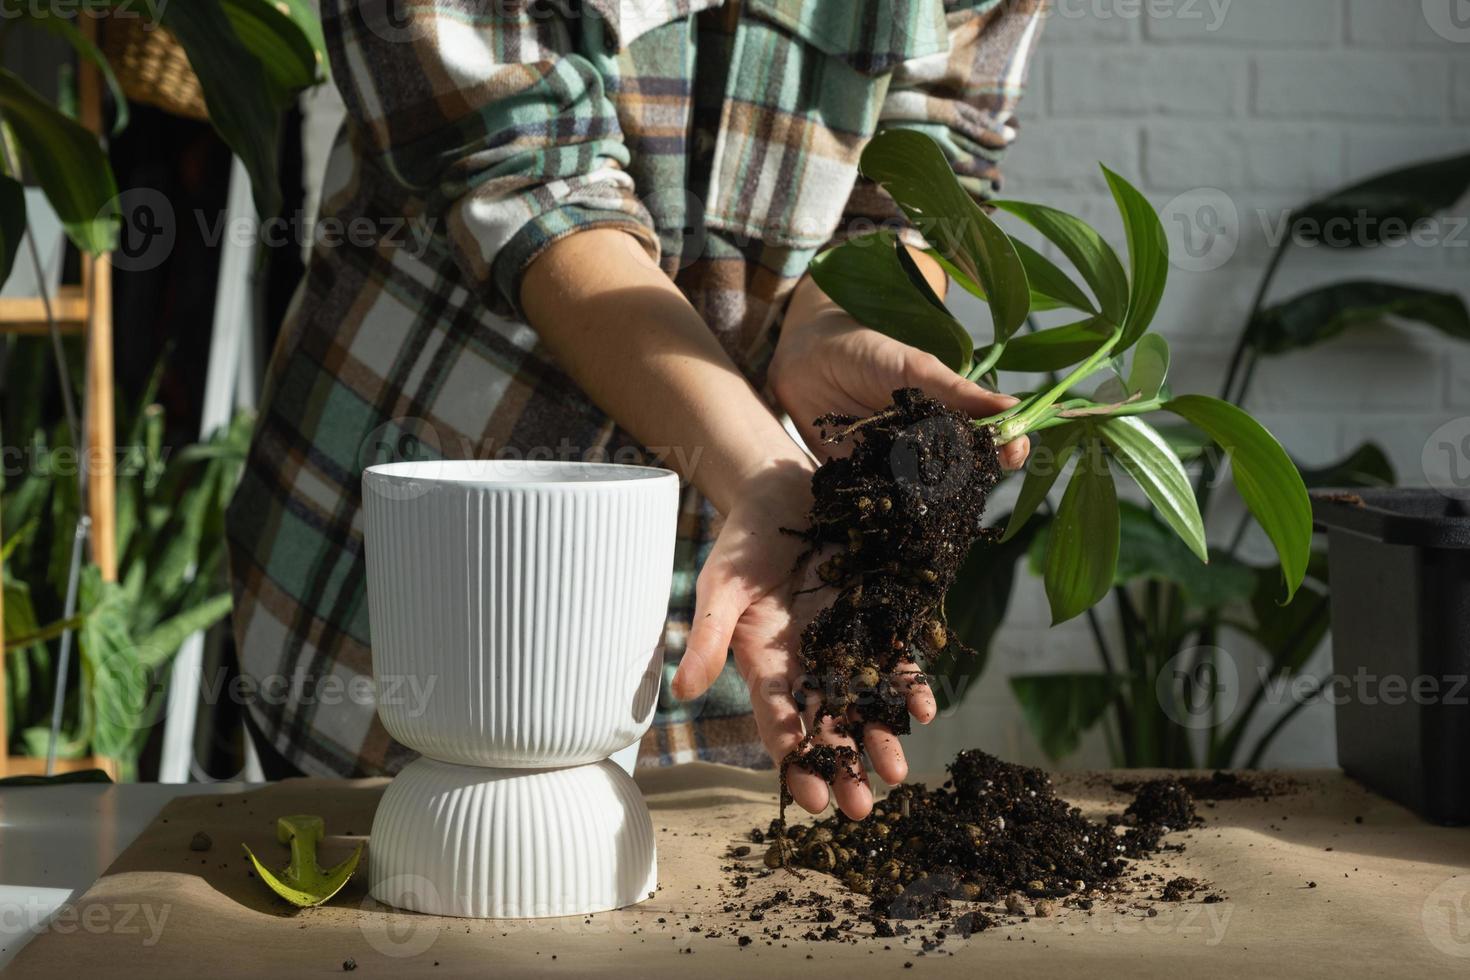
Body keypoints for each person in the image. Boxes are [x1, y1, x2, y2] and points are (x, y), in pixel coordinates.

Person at [226, 0, 1042, 819]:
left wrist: (837, 324)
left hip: (733, 630)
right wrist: (764, 469)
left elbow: (931, 159)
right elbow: (519, 166)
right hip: (426, 582)